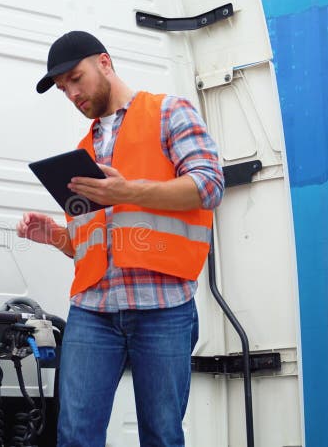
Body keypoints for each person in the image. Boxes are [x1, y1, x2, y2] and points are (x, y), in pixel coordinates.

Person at [16, 31, 224, 446]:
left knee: (161, 435)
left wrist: (128, 191)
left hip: (162, 306)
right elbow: (93, 245)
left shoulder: (169, 113)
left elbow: (209, 185)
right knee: (75, 434)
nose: (72, 93)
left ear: (105, 63)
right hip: (94, 310)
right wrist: (56, 236)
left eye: (76, 78)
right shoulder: (81, 151)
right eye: (63, 89)